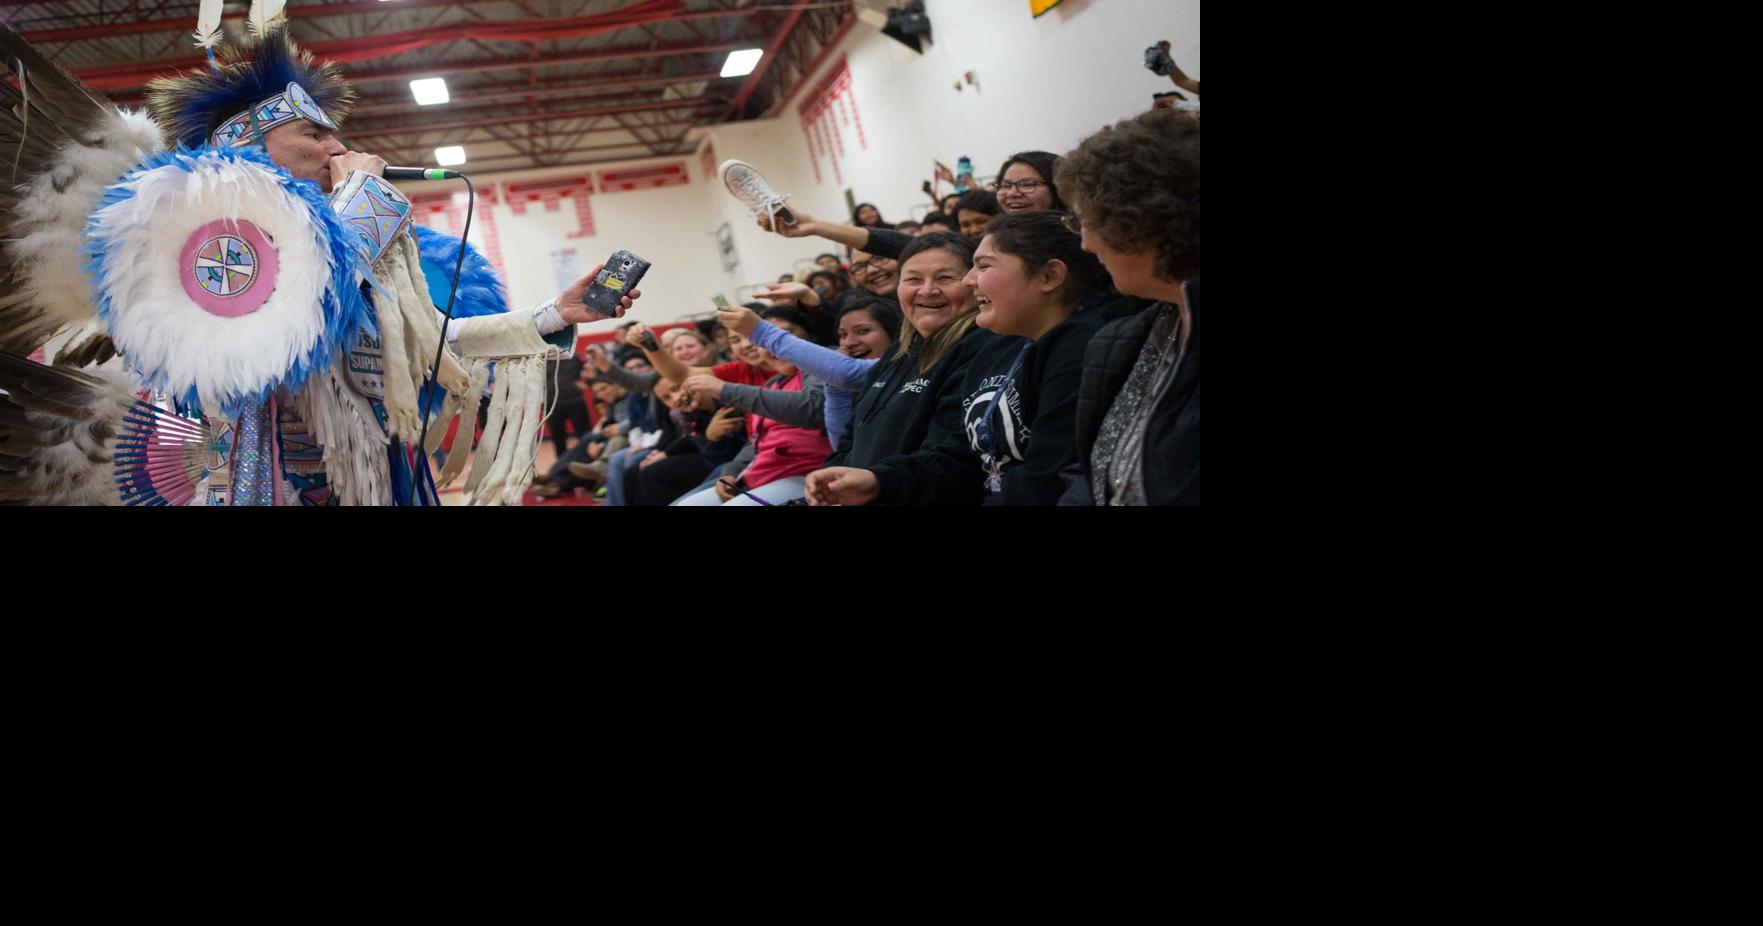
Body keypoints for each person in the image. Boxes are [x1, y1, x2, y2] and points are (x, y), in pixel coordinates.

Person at [0, 16, 639, 506]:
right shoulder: (198, 232)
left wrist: (554, 313)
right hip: (266, 482)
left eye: (334, 132)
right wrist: (364, 200)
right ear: (248, 142)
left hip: (374, 476)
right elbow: (282, 325)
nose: (337, 145)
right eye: (313, 133)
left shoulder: (338, 242)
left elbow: (419, 349)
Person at [805, 213, 1110, 506]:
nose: (970, 281)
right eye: (912, 278)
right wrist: (877, 481)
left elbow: (1047, 478)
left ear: (1049, 275)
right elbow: (962, 457)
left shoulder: (1080, 346)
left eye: (982, 267)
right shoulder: (987, 351)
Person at [1054, 107, 1200, 505]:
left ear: (1137, 219)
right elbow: (1092, 472)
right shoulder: (1124, 339)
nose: (1085, 243)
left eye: (1084, 221)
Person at [991, 151, 1066, 213]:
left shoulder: (1075, 229)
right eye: (1006, 185)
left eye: (1027, 184)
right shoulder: (994, 230)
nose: (1012, 193)